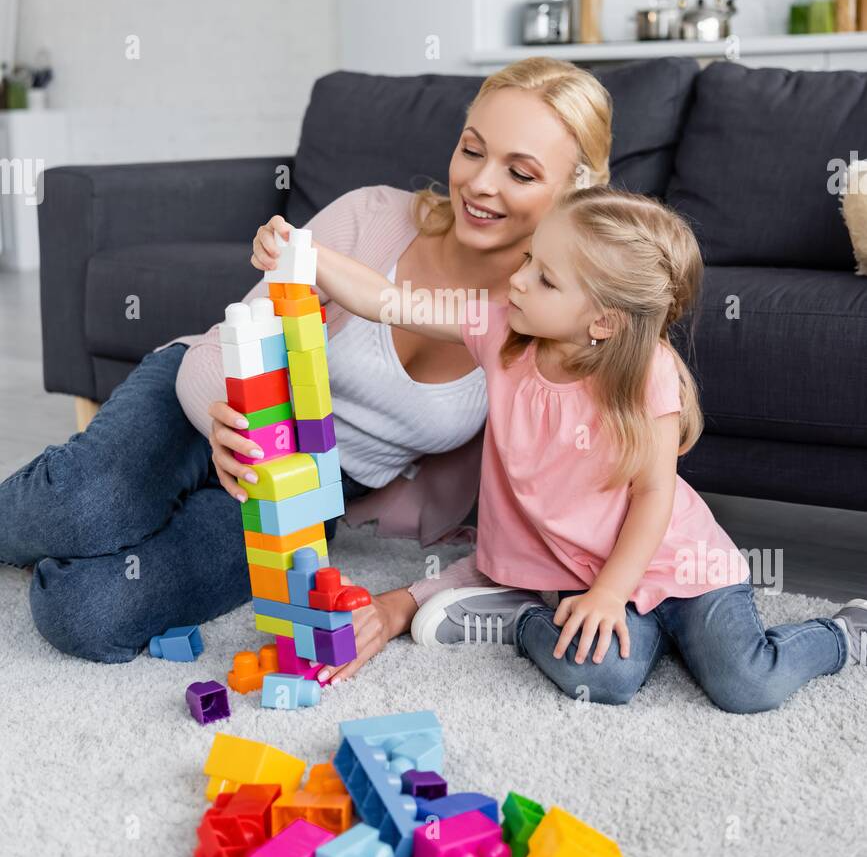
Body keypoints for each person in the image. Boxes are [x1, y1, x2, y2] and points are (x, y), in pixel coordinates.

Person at [0, 59, 613, 663]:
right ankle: (89, 511)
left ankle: (109, 526)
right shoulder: (372, 216)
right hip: (211, 405)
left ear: (576, 192)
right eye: (472, 150)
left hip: (306, 493)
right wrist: (223, 421)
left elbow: (530, 528)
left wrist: (404, 601)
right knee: (83, 505)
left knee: (87, 613)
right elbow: (233, 339)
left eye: (521, 173)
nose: (480, 184)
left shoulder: (550, 329)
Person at [254, 187, 865, 708]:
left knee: (745, 683)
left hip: (677, 567)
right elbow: (389, 300)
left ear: (603, 322)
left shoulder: (646, 372)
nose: (516, 280)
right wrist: (305, 254)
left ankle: (843, 635)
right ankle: (520, 617)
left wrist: (609, 595)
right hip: (573, 573)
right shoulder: (499, 329)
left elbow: (654, 494)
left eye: (543, 278)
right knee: (606, 679)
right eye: (527, 260)